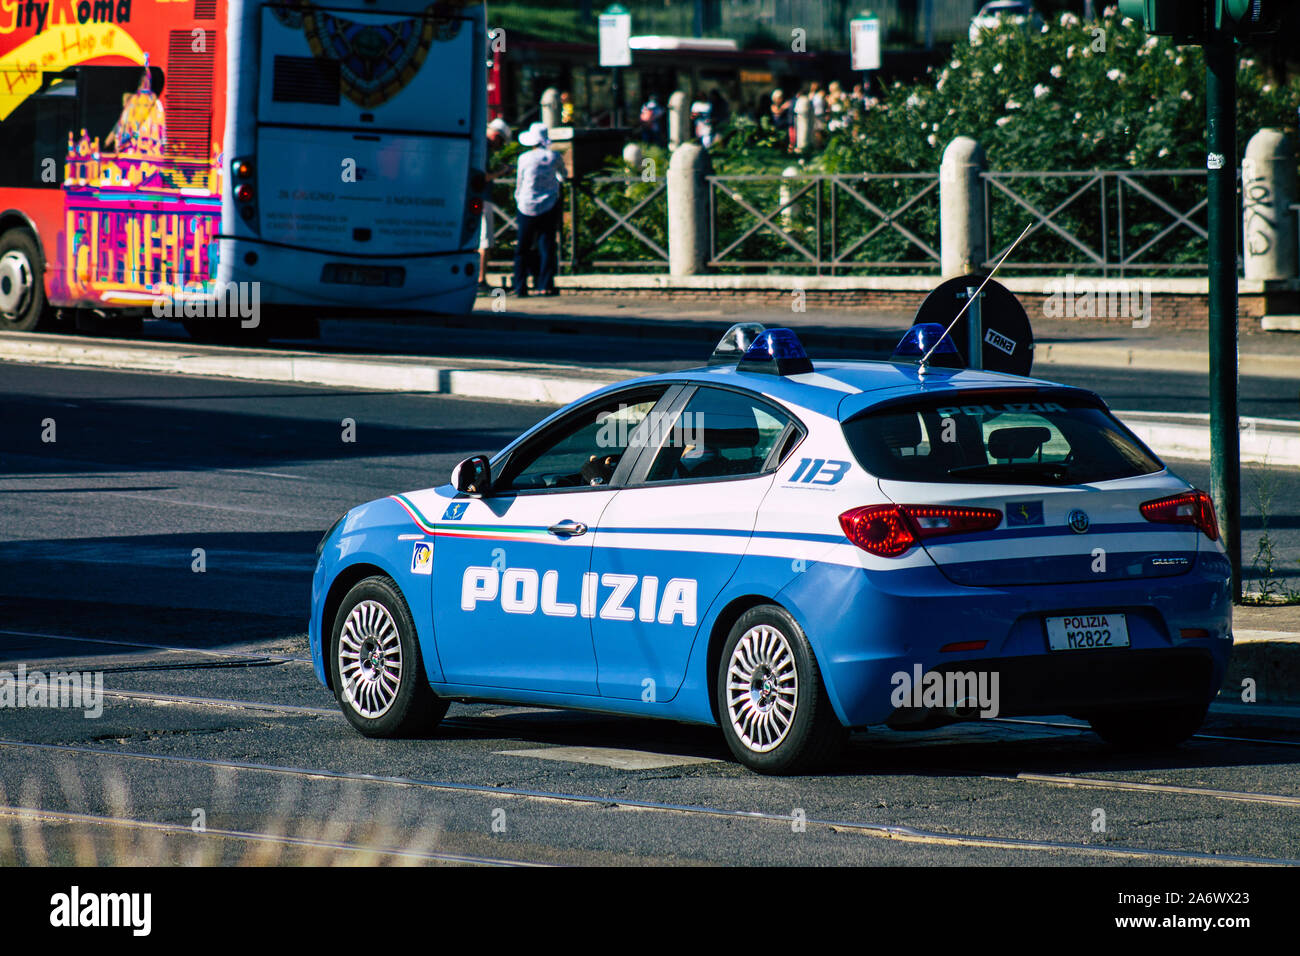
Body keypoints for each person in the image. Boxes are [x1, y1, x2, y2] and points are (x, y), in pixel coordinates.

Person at [512, 121, 565, 297]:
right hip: (548, 204)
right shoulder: (554, 156)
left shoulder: (524, 158)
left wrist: (518, 199)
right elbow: (563, 174)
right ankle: (545, 285)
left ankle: (520, 286)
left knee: (523, 247)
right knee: (547, 245)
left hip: (526, 204)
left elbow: (519, 183)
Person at [477, 117, 512, 292]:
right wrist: (502, 171)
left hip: (473, 198)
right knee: (485, 240)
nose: (501, 146)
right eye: (502, 142)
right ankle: (480, 279)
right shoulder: (484, 147)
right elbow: (482, 177)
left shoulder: (477, 142)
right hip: (481, 198)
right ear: (497, 136)